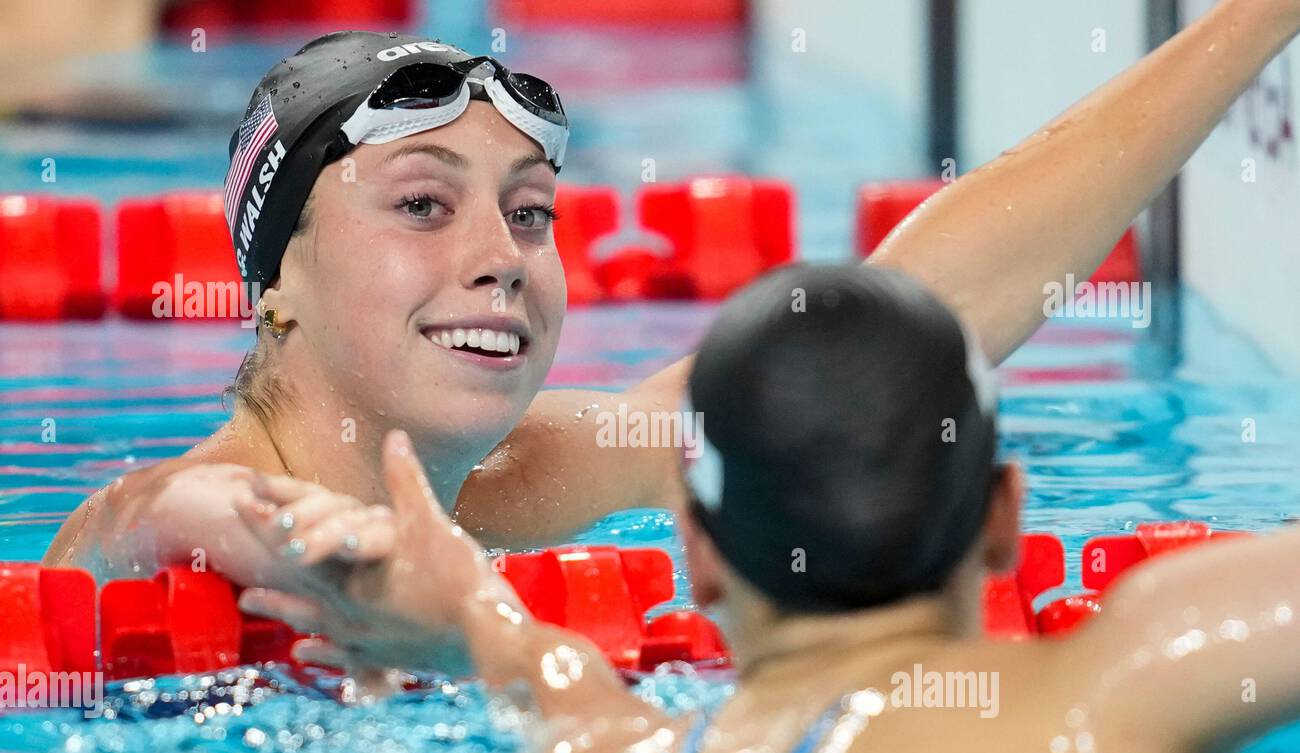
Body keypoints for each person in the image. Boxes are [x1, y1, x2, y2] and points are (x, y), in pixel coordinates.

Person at [43, 1, 1300, 590]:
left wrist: (1257, 16)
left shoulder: (531, 481)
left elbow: (908, 311)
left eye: (530, 211)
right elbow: (195, 516)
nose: (504, 255)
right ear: (275, 288)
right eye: (424, 204)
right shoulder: (151, 512)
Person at [229, 263, 1300, 753]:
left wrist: (472, 608)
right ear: (1004, 518)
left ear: (695, 551)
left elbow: (566, 688)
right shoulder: (1122, 689)